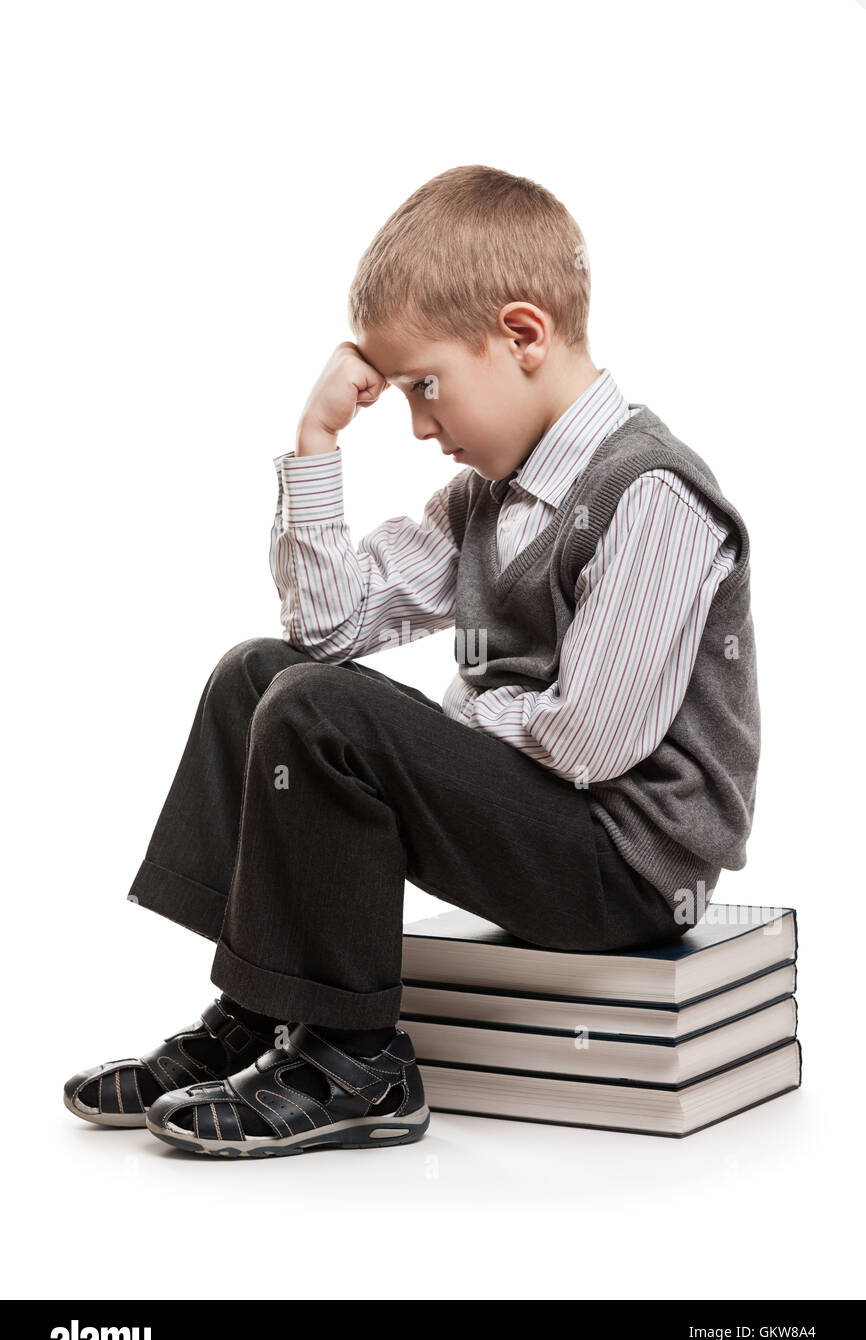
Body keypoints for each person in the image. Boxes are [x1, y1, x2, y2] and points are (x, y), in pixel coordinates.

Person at [64, 164, 760, 1159]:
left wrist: (421, 727)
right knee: (257, 677)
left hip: (623, 866)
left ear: (521, 336)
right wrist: (315, 443)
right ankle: (258, 1014)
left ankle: (357, 1060)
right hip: (541, 818)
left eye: (425, 388)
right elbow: (328, 630)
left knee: (321, 712)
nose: (421, 425)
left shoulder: (648, 492)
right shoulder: (486, 495)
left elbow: (592, 736)